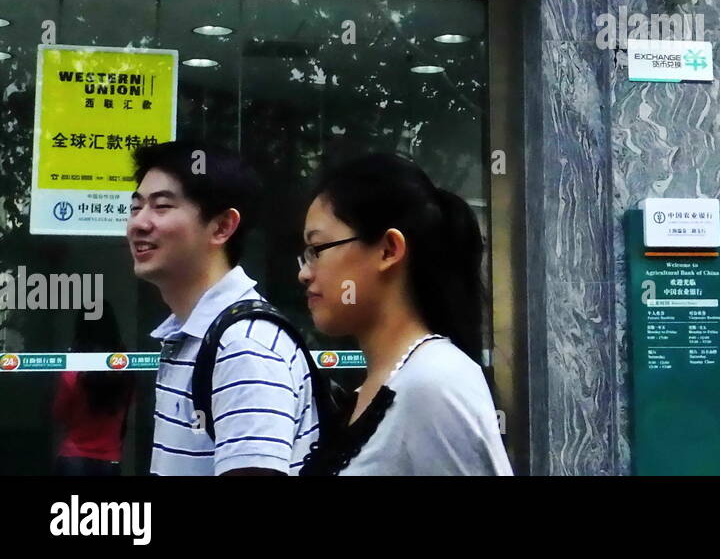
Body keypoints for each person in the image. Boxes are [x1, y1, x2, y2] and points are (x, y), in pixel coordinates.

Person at [296, 153, 511, 475]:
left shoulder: (435, 382)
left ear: (388, 250)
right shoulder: (373, 392)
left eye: (318, 249)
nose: (304, 273)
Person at [130, 140, 318, 475]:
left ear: (222, 227)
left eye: (161, 207)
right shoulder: (194, 334)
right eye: (136, 207)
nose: (139, 224)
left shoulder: (244, 347)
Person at [53, 306, 133, 476]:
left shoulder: (72, 371)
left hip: (73, 459)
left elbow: (59, 413)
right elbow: (129, 404)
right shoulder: (124, 369)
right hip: (109, 460)